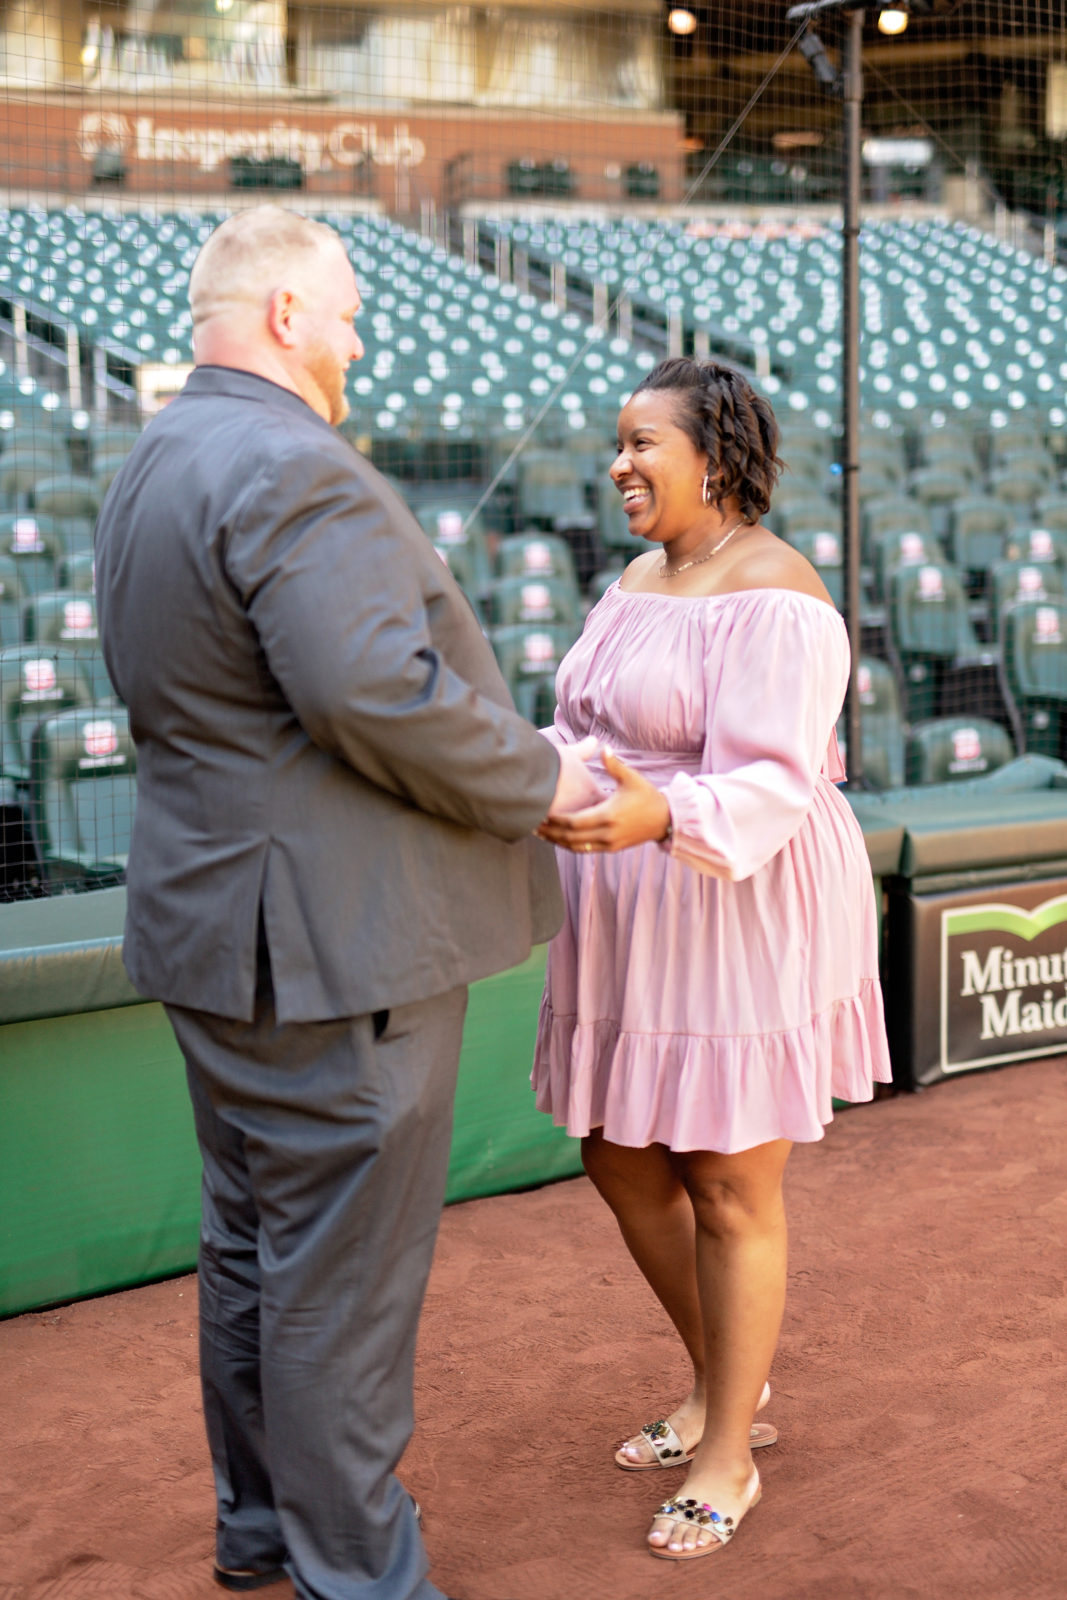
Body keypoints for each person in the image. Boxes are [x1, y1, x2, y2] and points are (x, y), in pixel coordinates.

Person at [94, 206, 600, 1600]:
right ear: (280, 319)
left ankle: (261, 1529)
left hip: (219, 927)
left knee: (254, 1244)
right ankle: (358, 1576)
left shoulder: (158, 456)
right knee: (339, 1280)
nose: (360, 338)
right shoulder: (285, 460)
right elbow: (376, 696)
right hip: (325, 945)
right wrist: (541, 777)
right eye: (348, 313)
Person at [533, 357, 892, 1563]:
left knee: (729, 1183)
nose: (621, 464)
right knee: (618, 1154)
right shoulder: (637, 578)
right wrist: (511, 765)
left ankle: (727, 1447)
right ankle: (719, 1382)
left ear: (714, 455)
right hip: (630, 908)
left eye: (643, 442)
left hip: (732, 901)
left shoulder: (779, 592)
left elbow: (772, 778)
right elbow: (581, 729)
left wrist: (660, 817)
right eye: (617, 442)